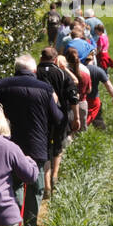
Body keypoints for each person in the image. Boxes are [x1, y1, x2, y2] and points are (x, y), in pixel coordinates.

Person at [0, 58, 63, 226]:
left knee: (14, 185)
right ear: (33, 71)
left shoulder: (3, 86)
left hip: (10, 145)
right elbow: (57, 117)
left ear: (16, 70)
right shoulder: (45, 89)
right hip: (37, 145)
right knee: (35, 187)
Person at [37, 45, 79, 194]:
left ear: (41, 58)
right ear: (55, 59)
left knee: (46, 148)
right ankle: (55, 175)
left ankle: (46, 184)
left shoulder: (35, 73)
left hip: (42, 119)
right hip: (61, 117)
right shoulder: (62, 74)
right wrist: (77, 118)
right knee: (58, 147)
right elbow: (73, 97)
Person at [86, 59, 113, 129]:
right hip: (94, 100)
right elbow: (108, 85)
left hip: (82, 99)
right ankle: (100, 131)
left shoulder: (79, 68)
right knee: (97, 118)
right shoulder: (98, 70)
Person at [66, 45, 92, 131]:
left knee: (69, 131)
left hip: (69, 106)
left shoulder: (66, 73)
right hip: (82, 104)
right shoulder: (85, 72)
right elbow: (89, 90)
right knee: (82, 131)